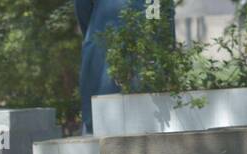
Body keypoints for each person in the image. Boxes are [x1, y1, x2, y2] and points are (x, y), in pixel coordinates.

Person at [74, 0, 174, 135]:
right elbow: (159, 15)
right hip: (128, 49)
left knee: (99, 127)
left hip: (106, 45)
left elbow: (84, 12)